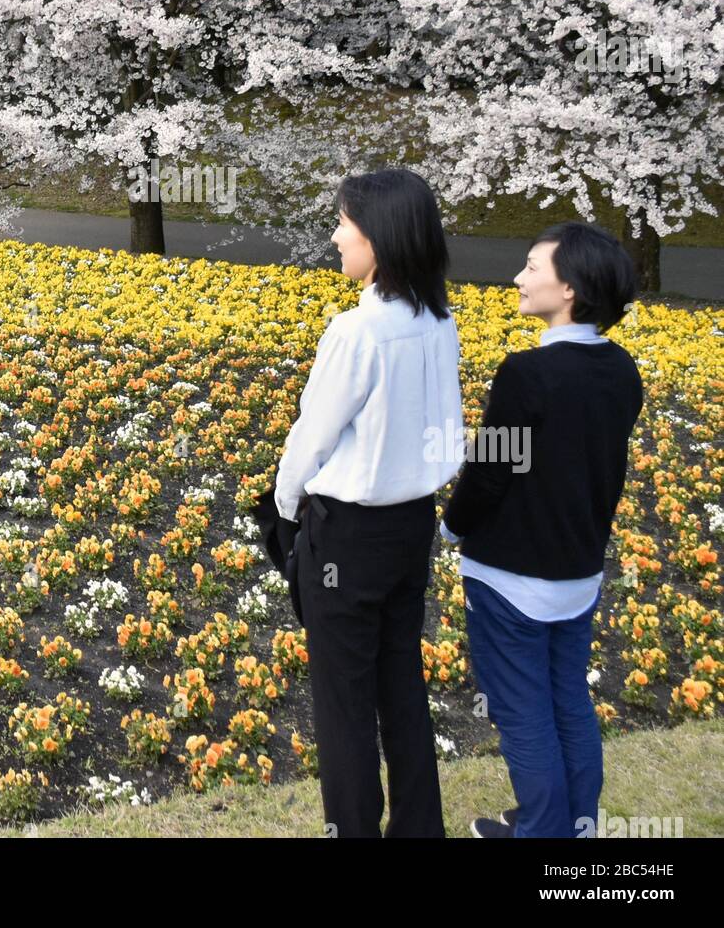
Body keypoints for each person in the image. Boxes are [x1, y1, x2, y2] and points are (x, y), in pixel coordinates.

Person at [274, 168, 464, 838]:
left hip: (348, 535)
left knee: (344, 701)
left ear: (376, 238)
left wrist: (285, 506)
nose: (334, 237)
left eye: (343, 225)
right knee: (400, 684)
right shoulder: (437, 322)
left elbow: (311, 438)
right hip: (411, 526)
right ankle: (418, 828)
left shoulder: (356, 332)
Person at [440, 222, 643, 839]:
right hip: (579, 572)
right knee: (568, 702)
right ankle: (569, 827)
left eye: (532, 267)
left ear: (571, 289)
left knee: (525, 713)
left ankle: (543, 838)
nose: (518, 278)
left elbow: (492, 470)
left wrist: (454, 526)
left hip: (512, 574)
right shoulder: (621, 369)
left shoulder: (527, 373)